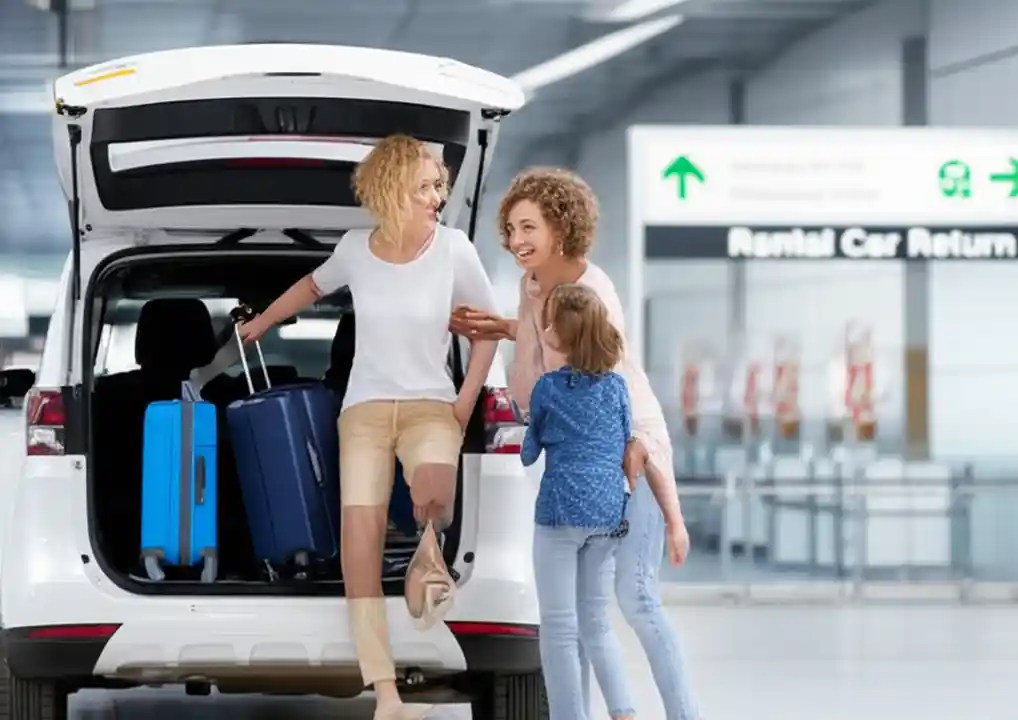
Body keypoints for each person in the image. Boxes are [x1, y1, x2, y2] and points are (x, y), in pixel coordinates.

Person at [238, 134, 500, 720]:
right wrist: (261, 324)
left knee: (434, 495)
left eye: (440, 186)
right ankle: (386, 694)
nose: (438, 196)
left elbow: (484, 330)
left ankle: (427, 562)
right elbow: (311, 286)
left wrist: (463, 403)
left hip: (432, 406)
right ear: (392, 189)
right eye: (427, 186)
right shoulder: (356, 249)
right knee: (359, 544)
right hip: (363, 413)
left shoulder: (454, 249)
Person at [451, 167, 700, 720]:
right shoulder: (533, 285)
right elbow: (538, 365)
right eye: (511, 229)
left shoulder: (591, 293)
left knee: (635, 599)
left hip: (631, 449)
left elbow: (593, 382)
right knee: (582, 619)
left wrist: (668, 506)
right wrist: (508, 323)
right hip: (584, 465)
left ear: (562, 227)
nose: (517, 241)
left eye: (529, 227)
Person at [522, 283, 638, 720]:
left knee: (558, 626)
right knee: (597, 622)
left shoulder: (548, 389)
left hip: (560, 513)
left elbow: (530, 451)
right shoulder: (616, 388)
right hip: (609, 513)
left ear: (561, 336)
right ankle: (624, 712)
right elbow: (624, 438)